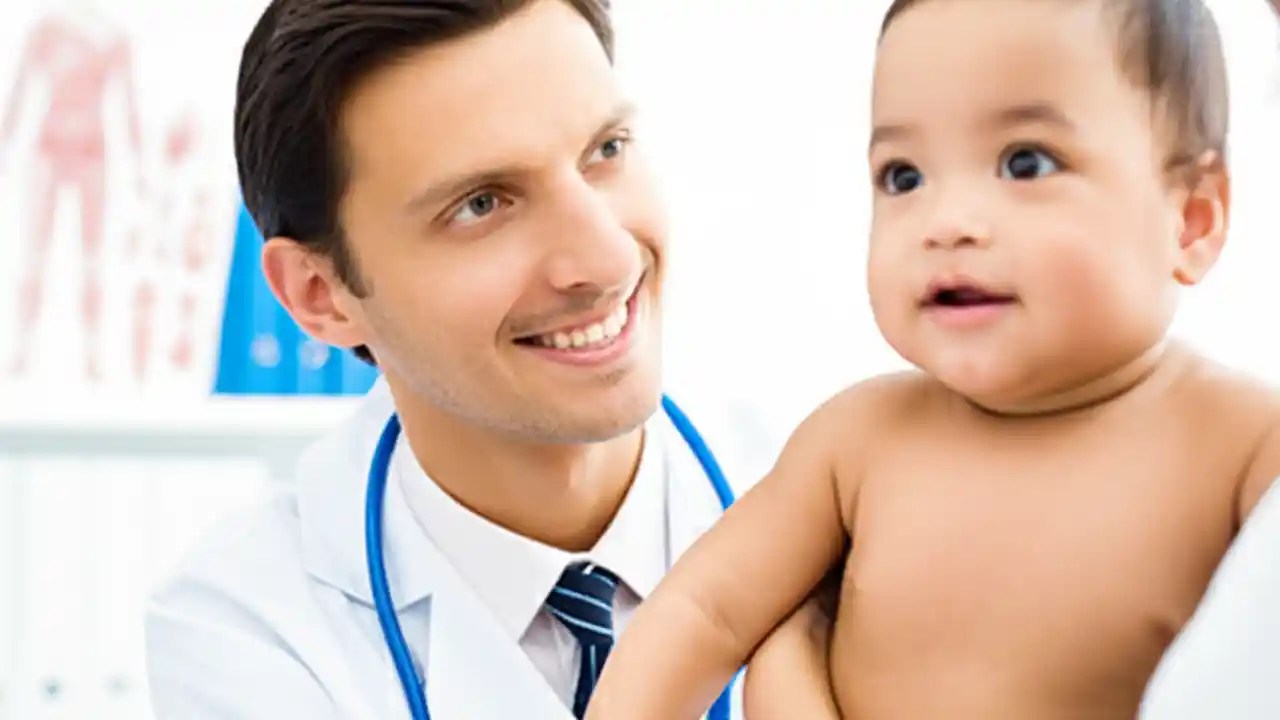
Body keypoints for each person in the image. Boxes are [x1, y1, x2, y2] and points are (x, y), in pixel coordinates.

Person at [584, 0, 1280, 718]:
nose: (946, 223)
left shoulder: (1244, 449)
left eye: (1026, 162)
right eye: (904, 177)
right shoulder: (857, 440)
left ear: (1192, 217)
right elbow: (705, 613)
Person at [143, 1, 829, 717]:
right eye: (481, 204)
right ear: (322, 295)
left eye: (607, 150)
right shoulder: (244, 628)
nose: (607, 257)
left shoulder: (852, 510)